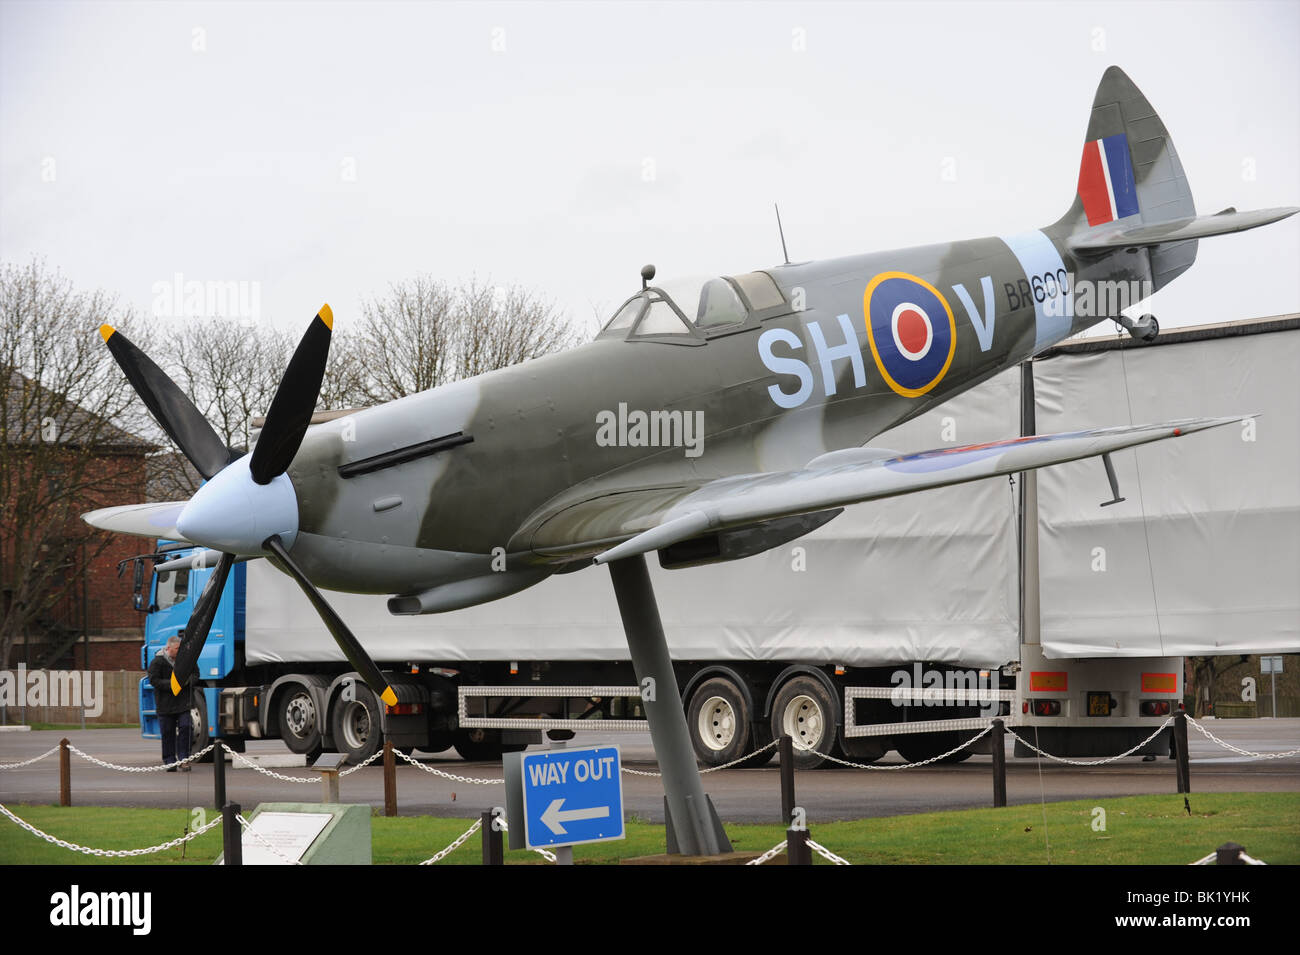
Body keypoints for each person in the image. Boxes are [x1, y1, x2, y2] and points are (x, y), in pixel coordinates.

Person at [147, 635, 194, 771]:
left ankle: (184, 759)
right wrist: (172, 685)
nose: (180, 651)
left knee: (186, 727)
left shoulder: (186, 660)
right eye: (177, 648)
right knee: (168, 733)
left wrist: (186, 682)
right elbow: (154, 680)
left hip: (183, 702)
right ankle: (170, 761)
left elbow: (195, 674)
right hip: (165, 704)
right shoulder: (157, 662)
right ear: (168, 648)